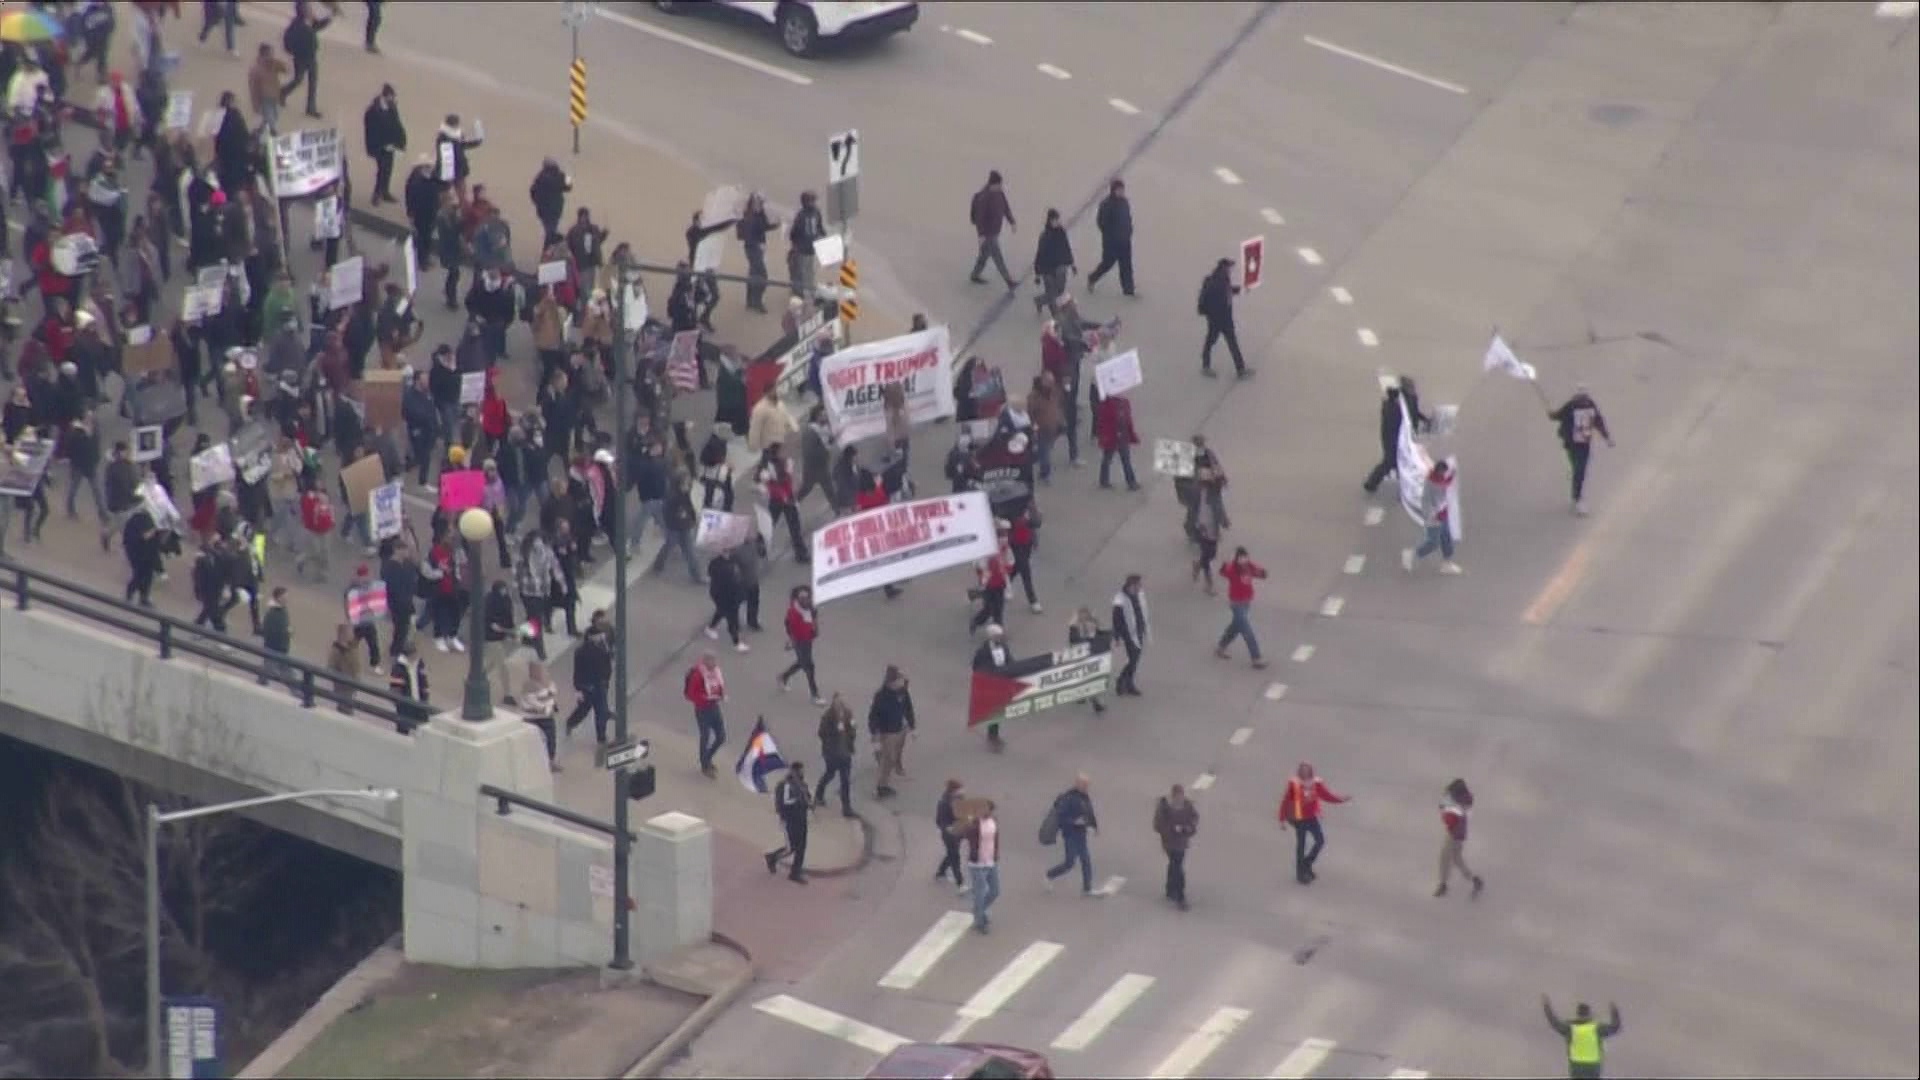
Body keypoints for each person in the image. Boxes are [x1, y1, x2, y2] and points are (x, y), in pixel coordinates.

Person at [1278, 762, 1349, 885]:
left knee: (1320, 841)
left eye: (1307, 771)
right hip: (1299, 819)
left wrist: (1340, 799)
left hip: (1311, 818)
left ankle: (1306, 863)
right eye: (1303, 771)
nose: (1305, 773)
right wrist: (1281, 819)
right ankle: (1301, 874)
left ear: (1310, 772)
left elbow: (1326, 795)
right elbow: (1286, 801)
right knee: (1301, 846)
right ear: (1300, 772)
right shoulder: (1294, 784)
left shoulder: (1316, 783)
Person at [1549, 384, 1614, 516]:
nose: (1583, 402)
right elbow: (1557, 416)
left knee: (1580, 471)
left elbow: (1598, 421)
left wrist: (1607, 437)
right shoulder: (1571, 406)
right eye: (1581, 399)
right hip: (1572, 443)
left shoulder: (1591, 406)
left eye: (1585, 399)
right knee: (1576, 467)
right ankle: (1576, 491)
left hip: (1584, 443)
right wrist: (1551, 414)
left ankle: (1577, 499)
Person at [1362, 375, 1430, 494]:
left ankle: (1376, 482)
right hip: (1394, 437)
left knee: (1398, 462)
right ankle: (1373, 482)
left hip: (1405, 436)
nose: (1413, 389)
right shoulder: (1392, 406)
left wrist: (1424, 420)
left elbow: (1414, 412)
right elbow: (1392, 424)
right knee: (1392, 461)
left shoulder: (1411, 398)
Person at [1401, 459, 1462, 575]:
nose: (1444, 474)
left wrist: (1452, 475)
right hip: (1434, 518)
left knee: (1446, 538)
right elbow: (1429, 500)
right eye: (1443, 472)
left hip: (1442, 514)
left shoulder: (1438, 478)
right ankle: (1413, 555)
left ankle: (1447, 563)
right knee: (1433, 543)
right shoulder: (1433, 484)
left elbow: (1445, 483)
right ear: (1439, 471)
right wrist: (1432, 516)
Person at [1044, 774, 1101, 896]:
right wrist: (1074, 822)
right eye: (1084, 785)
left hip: (1081, 834)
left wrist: (1094, 826)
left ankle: (1087, 888)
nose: (1086, 787)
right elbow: (1061, 817)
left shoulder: (1085, 797)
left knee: (1086, 860)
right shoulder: (1068, 798)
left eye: (1087, 785)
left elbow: (1089, 813)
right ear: (1077, 784)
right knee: (1069, 863)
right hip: (1070, 834)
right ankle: (1050, 875)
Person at [565, 609, 614, 744]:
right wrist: (578, 689)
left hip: (601, 682)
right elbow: (578, 672)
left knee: (600, 711)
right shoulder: (582, 652)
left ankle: (601, 738)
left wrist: (606, 678)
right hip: (589, 686)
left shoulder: (604, 646)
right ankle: (570, 723)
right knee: (584, 709)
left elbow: (608, 659)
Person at [1542, 997, 1622, 1079]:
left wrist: (1547, 1008)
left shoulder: (1570, 1029)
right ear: (1589, 1014)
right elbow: (1615, 1027)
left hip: (1576, 1066)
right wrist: (1614, 1012)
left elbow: (1555, 1023)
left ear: (1578, 1014)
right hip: (1593, 1066)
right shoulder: (1597, 1028)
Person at [1215, 547, 1269, 668]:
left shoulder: (1249, 566)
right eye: (1241, 558)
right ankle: (1256, 658)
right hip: (1236, 604)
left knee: (1235, 627)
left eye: (1245, 557)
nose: (1244, 560)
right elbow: (1223, 572)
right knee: (1247, 631)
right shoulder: (1232, 568)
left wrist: (1262, 573)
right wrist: (1223, 565)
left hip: (1246, 603)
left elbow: (1258, 572)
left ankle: (1221, 647)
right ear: (1237, 559)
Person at [867, 664, 915, 799]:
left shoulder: (902, 692)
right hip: (887, 731)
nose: (901, 682)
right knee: (888, 759)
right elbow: (874, 715)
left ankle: (885, 758)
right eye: (898, 680)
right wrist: (874, 731)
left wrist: (912, 726)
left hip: (901, 728)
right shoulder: (881, 696)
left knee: (896, 751)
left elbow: (908, 707)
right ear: (891, 682)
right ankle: (881, 786)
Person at [1197, 257, 1248, 378]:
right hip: (1218, 320)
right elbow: (1218, 298)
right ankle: (1206, 366)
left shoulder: (1221, 279)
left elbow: (1228, 291)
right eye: (1230, 267)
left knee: (1231, 343)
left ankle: (1240, 368)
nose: (1231, 270)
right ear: (1224, 268)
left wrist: (1240, 289)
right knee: (1211, 342)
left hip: (1223, 319)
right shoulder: (1217, 283)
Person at [968, 170, 1019, 290]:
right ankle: (1009, 280)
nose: (1001, 186)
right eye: (999, 184)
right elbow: (980, 218)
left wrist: (1012, 221)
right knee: (997, 256)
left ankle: (975, 274)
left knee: (984, 255)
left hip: (994, 231)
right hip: (988, 233)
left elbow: (1005, 207)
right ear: (993, 184)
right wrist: (981, 235)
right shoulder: (984, 197)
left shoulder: (999, 193)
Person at [279, 2, 330, 120]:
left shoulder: (308, 21)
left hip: (311, 57)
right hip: (301, 58)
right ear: (302, 11)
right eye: (308, 9)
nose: (311, 10)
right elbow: (291, 41)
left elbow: (317, 26)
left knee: (313, 81)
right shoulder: (297, 25)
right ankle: (283, 92)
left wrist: (329, 18)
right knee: (298, 79)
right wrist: (298, 51)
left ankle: (310, 107)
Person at [1086, 178, 1136, 297]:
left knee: (1126, 266)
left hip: (1125, 240)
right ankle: (1092, 277)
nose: (1121, 192)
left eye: (1122, 190)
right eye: (1119, 190)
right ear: (1113, 190)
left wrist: (1129, 231)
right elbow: (1101, 222)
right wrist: (1111, 235)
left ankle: (1128, 290)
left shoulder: (1124, 202)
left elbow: (1128, 218)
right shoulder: (1106, 204)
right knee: (1107, 264)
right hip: (1112, 242)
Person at [765, 762, 813, 883]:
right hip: (790, 820)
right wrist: (801, 801)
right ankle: (772, 857)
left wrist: (809, 803)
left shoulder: (802, 785)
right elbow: (785, 803)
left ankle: (795, 872)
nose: (802, 773)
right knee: (791, 847)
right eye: (800, 771)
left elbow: (807, 797)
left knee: (801, 847)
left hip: (801, 819)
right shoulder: (785, 785)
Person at [1154, 783, 1198, 911]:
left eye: (1181, 796)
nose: (1179, 799)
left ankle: (1170, 889)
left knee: (1175, 865)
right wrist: (1171, 830)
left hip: (1181, 843)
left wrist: (1187, 829)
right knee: (1177, 867)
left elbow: (1194, 820)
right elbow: (1157, 825)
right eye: (1177, 796)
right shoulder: (1165, 807)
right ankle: (1180, 896)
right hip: (1169, 843)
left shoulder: (1188, 806)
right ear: (1173, 795)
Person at [1436, 778, 1484, 898]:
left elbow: (1449, 819)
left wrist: (1444, 810)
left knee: (1444, 858)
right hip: (1460, 835)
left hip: (1453, 834)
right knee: (1457, 859)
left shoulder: (1456, 803)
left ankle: (1443, 885)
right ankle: (1473, 879)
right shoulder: (1463, 801)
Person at [684, 651, 728, 778]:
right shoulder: (697, 675)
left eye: (715, 661)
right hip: (702, 710)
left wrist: (720, 695)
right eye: (712, 661)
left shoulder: (715, 671)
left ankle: (707, 758)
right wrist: (706, 698)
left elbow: (719, 685)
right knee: (705, 736)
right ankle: (705, 765)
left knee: (721, 736)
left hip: (714, 706)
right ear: (705, 661)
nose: (714, 664)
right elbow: (691, 695)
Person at [363, 83, 406, 206]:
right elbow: (371, 131)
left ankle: (385, 191)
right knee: (382, 169)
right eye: (391, 97)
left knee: (388, 168)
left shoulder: (391, 107)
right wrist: (380, 144)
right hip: (379, 145)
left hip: (390, 145)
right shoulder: (373, 111)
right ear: (386, 96)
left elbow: (397, 124)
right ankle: (377, 194)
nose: (393, 99)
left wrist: (400, 142)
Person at [961, 800, 1001, 933]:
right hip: (977, 864)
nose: (984, 812)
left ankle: (979, 910)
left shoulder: (993, 821)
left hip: (991, 861)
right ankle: (980, 922)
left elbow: (995, 839)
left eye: (987, 810)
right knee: (980, 892)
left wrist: (996, 854)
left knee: (995, 891)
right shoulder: (974, 824)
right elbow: (964, 834)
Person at [813, 695, 856, 818]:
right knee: (830, 773)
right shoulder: (828, 717)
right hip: (832, 753)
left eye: (842, 703)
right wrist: (835, 732)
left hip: (845, 752)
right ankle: (819, 794)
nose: (840, 706)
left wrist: (851, 731)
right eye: (838, 704)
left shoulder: (848, 714)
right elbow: (821, 733)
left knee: (845, 780)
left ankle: (846, 808)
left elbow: (852, 731)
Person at [778, 586, 823, 704]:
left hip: (808, 639)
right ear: (798, 598)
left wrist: (815, 631)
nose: (806, 600)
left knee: (802, 663)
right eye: (802, 598)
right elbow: (789, 626)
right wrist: (791, 641)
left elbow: (814, 619)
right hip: (799, 641)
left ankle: (783, 677)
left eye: (807, 597)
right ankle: (815, 694)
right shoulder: (793, 612)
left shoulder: (811, 608)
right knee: (809, 666)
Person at [736, 192, 779, 312]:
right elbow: (749, 234)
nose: (760, 205)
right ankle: (757, 301)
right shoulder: (749, 216)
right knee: (762, 275)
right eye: (758, 202)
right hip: (753, 248)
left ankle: (750, 300)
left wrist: (775, 225)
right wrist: (758, 244)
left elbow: (764, 226)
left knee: (753, 273)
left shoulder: (759, 214)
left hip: (757, 247)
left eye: (761, 203)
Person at [972, 624, 1012, 752]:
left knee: (998, 710)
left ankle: (993, 734)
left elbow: (1010, 661)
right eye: (998, 636)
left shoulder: (1004, 647)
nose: (1001, 638)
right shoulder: (982, 652)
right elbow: (976, 667)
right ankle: (993, 736)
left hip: (1002, 682)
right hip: (990, 683)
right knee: (994, 711)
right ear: (991, 637)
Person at [1093, 388, 1141, 491]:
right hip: (1112, 436)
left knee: (1125, 460)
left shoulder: (1125, 403)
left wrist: (1131, 434)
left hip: (1122, 436)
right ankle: (1104, 480)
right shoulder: (1106, 404)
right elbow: (1102, 422)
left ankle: (1131, 482)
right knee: (1108, 459)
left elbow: (1128, 421)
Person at [1110, 573, 1149, 696]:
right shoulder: (1120, 600)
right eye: (1139, 585)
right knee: (1132, 659)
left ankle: (1128, 682)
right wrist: (1116, 636)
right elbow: (1116, 619)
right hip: (1129, 634)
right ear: (1132, 585)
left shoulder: (1137, 595)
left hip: (1138, 632)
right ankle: (1123, 681)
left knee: (1135, 660)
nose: (1141, 587)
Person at [1031, 207, 1075, 315]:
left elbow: (1066, 247)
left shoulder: (1061, 232)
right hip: (1047, 269)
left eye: (1058, 219)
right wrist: (1037, 273)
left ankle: (1039, 301)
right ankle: (1055, 315)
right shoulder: (1045, 236)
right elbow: (1040, 255)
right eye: (1054, 220)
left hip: (1061, 267)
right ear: (1049, 221)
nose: (1057, 222)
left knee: (1059, 291)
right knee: (1051, 293)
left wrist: (1072, 263)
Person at [969, 524, 1010, 635]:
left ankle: (999, 631)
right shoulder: (985, 551)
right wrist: (984, 577)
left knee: (998, 608)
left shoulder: (1002, 545)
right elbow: (979, 566)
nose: (1004, 537)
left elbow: (1006, 560)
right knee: (989, 609)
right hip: (989, 584)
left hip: (999, 582)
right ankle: (976, 621)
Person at [704, 545, 747, 651]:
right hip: (723, 595)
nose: (728, 553)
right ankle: (736, 642)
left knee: (721, 611)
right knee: (731, 617)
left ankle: (710, 627)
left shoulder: (731, 561)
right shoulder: (718, 565)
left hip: (730, 594)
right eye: (726, 550)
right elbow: (725, 580)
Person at [785, 189, 824, 300]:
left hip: (811, 248)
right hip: (801, 249)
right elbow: (794, 232)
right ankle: (800, 293)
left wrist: (822, 236)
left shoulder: (816, 213)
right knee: (801, 271)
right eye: (811, 201)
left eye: (813, 201)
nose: (813, 203)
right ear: (805, 202)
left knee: (809, 271)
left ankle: (809, 292)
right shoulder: (801, 216)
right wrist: (795, 244)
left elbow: (819, 227)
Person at [934, 779, 967, 893]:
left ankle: (941, 872)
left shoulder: (959, 799)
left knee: (951, 854)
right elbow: (940, 820)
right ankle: (960, 883)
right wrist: (948, 829)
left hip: (958, 833)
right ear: (953, 791)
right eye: (960, 790)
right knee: (955, 857)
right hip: (950, 834)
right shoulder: (944, 803)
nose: (962, 791)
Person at [258, 586, 293, 690]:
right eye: (284, 597)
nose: (286, 599)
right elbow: (269, 629)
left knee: (271, 667)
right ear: (278, 597)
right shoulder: (274, 613)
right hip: (276, 646)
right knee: (285, 670)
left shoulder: (281, 611)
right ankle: (296, 690)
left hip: (277, 646)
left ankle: (262, 681)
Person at [388, 639, 430, 718]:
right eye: (413, 654)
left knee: (422, 724)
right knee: (404, 726)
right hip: (405, 704)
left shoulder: (419, 663)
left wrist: (425, 696)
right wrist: (399, 703)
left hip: (420, 702)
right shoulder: (398, 668)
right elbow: (395, 688)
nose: (415, 656)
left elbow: (423, 680)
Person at [326, 623, 361, 715]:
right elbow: (330, 668)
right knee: (345, 708)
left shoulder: (353, 647)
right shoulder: (337, 650)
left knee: (348, 707)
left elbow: (356, 666)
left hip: (352, 684)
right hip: (342, 686)